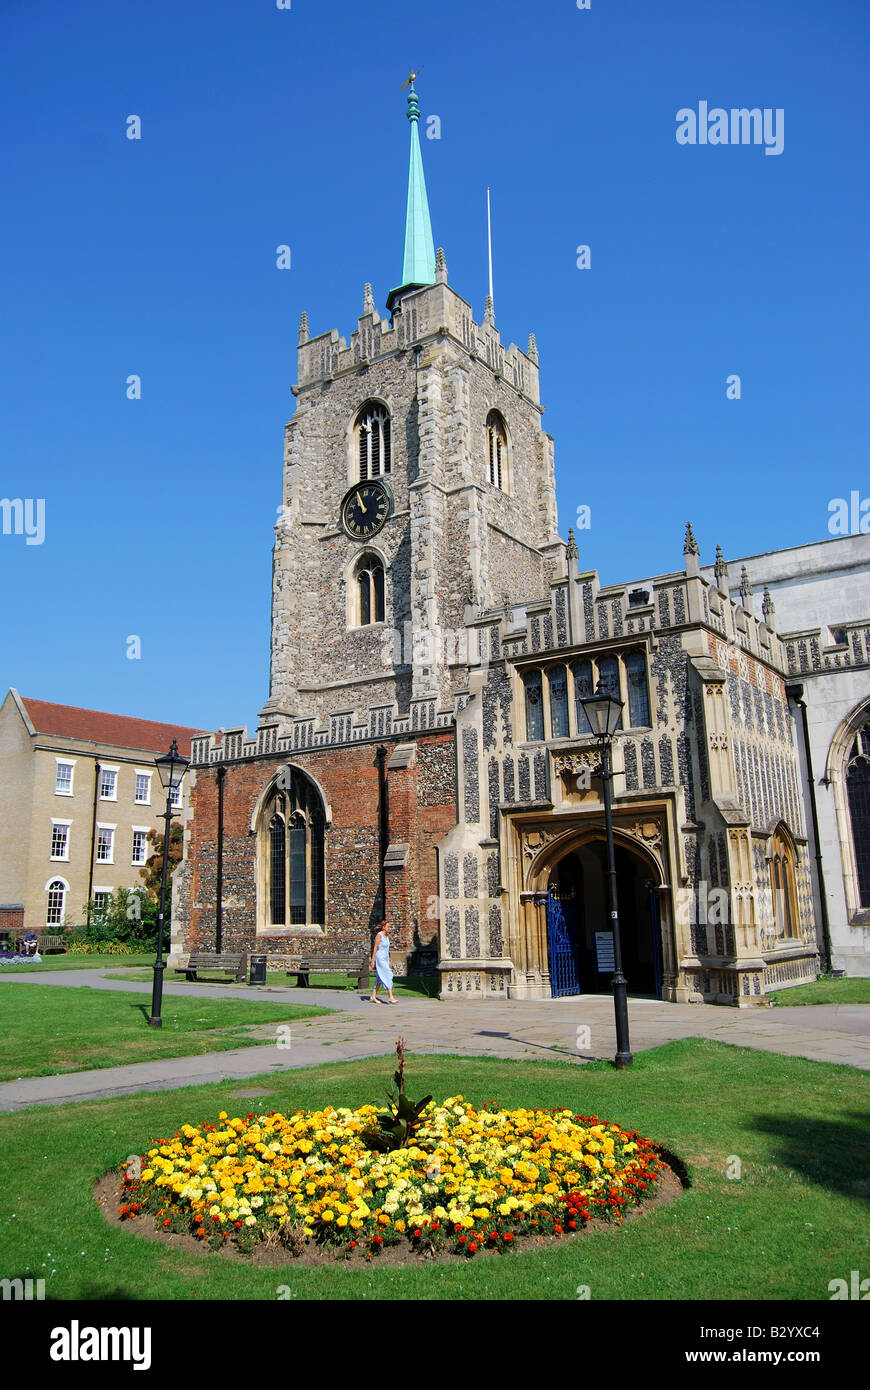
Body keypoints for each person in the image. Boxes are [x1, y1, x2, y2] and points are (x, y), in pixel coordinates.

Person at [370, 921, 396, 1004]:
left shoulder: (386, 936)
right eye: (388, 926)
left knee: (380, 977)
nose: (389, 928)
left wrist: (389, 957)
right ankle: (390, 997)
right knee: (388, 974)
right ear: (383, 927)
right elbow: (375, 948)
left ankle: (373, 996)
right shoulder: (379, 935)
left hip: (385, 958)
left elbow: (387, 949)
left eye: (390, 926)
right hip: (380, 958)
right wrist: (373, 960)